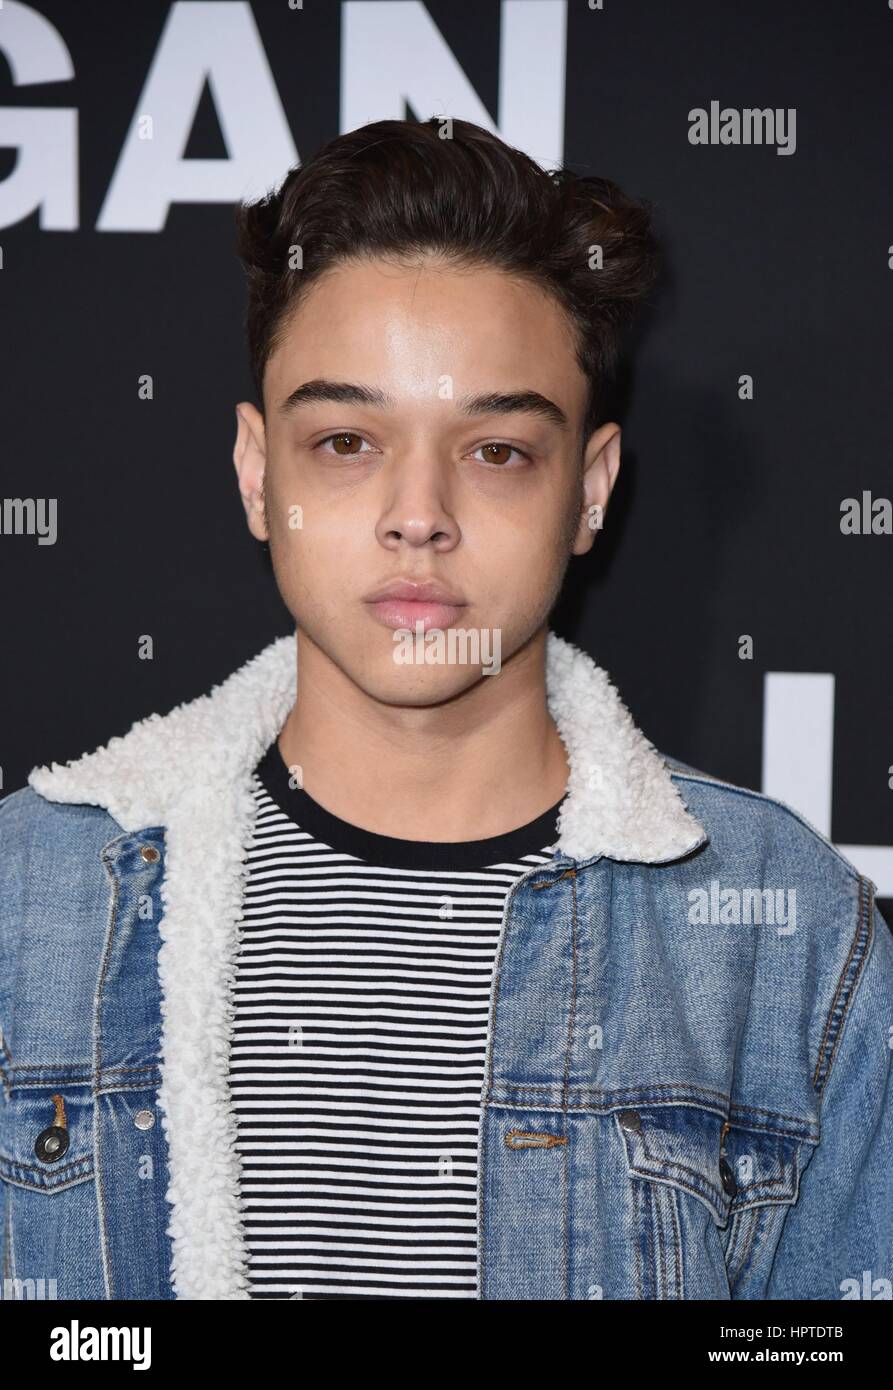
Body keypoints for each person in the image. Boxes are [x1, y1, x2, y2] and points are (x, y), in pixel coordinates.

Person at [1, 117, 890, 1302]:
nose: (416, 512)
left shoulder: (785, 933)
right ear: (258, 472)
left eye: (497, 452)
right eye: (346, 440)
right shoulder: (26, 904)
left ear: (591, 487)